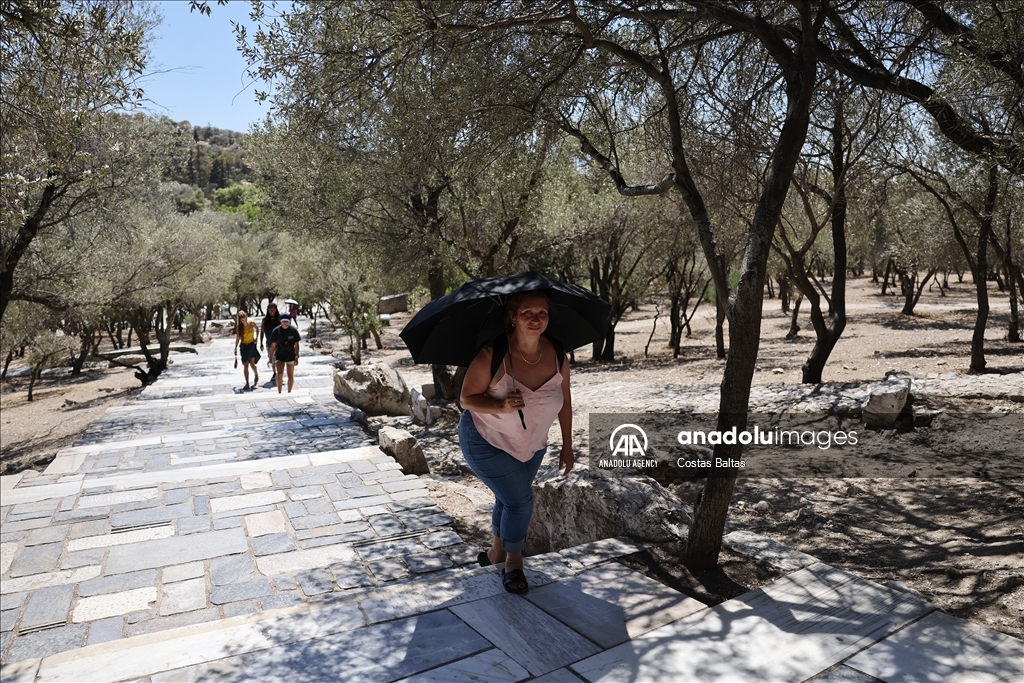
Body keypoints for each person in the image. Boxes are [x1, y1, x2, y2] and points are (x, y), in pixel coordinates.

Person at [458, 290, 574, 595]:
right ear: (512, 317)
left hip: (533, 445)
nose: (536, 319)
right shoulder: (491, 354)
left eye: (542, 313)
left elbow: (566, 403)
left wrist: (567, 445)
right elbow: (466, 399)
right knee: (520, 501)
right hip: (485, 439)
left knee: (508, 499)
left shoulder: (559, 353)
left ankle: (496, 554)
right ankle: (513, 562)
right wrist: (500, 407)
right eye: (527, 313)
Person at [268, 315, 301, 393]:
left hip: (290, 355)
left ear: (289, 322)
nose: (285, 323)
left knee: (290, 375)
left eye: (286, 321)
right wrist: (270, 356)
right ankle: (279, 391)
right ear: (280, 322)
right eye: (283, 321)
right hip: (280, 354)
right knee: (279, 374)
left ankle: (289, 391)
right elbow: (273, 345)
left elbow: (296, 344)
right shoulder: (276, 331)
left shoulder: (293, 330)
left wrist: (296, 356)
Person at [234, 311, 261, 390]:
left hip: (251, 345)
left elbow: (257, 329)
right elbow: (238, 338)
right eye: (242, 319)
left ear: (246, 317)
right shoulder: (239, 327)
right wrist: (235, 347)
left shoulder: (252, 323)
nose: (243, 321)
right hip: (244, 347)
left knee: (252, 364)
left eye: (244, 318)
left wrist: (256, 338)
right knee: (246, 364)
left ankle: (256, 374)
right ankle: (247, 382)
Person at [261, 303, 282, 384]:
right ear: (268, 310)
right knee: (272, 359)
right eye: (270, 310)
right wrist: (261, 342)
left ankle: (279, 374)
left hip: (279, 343)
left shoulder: (279, 319)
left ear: (276, 310)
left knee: (279, 359)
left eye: (273, 310)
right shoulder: (265, 320)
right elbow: (262, 331)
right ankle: (275, 373)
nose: (272, 311)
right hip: (269, 343)